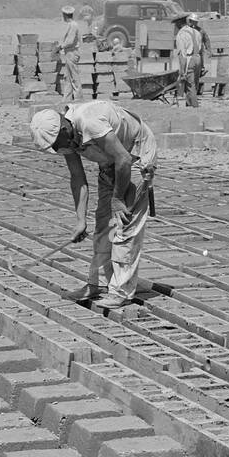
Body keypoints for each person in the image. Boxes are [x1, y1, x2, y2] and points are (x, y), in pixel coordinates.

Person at [29, 101, 158, 311]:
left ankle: (121, 292)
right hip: (110, 160)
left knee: (124, 226)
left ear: (64, 128)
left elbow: (124, 160)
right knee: (103, 224)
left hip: (134, 155)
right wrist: (81, 220)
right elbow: (77, 178)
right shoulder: (66, 137)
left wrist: (117, 199)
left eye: (55, 144)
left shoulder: (90, 121)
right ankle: (97, 283)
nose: (56, 149)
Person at [173, 13, 198, 107]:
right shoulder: (195, 31)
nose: (175, 27)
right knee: (194, 85)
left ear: (179, 24)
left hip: (189, 60)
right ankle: (189, 106)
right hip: (197, 59)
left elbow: (182, 55)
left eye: (175, 24)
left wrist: (182, 72)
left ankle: (195, 108)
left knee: (190, 86)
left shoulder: (181, 35)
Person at [59, 5, 82, 101]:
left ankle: (78, 99)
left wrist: (60, 46)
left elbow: (70, 41)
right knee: (68, 78)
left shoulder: (73, 25)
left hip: (72, 53)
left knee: (74, 77)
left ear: (65, 15)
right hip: (69, 53)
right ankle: (66, 100)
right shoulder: (72, 25)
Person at [188, 12, 210, 97]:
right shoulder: (186, 30)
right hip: (188, 55)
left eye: (195, 21)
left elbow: (206, 40)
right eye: (193, 21)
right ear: (190, 21)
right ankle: (190, 93)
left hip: (198, 55)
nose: (194, 23)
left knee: (198, 73)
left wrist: (209, 50)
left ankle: (196, 92)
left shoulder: (201, 31)